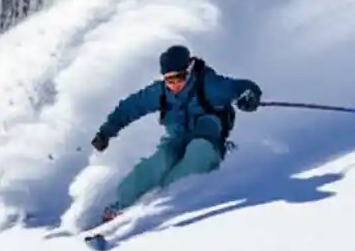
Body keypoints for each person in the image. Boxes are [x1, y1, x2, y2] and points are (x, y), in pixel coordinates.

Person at [90, 44, 262, 224]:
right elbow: (131, 106)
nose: (174, 85)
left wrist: (248, 97)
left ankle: (163, 199)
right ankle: (122, 204)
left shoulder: (210, 85)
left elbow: (244, 87)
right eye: (169, 80)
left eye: (179, 78)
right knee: (162, 159)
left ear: (189, 71)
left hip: (208, 139)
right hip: (178, 138)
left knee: (198, 152)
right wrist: (106, 132)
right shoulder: (161, 93)